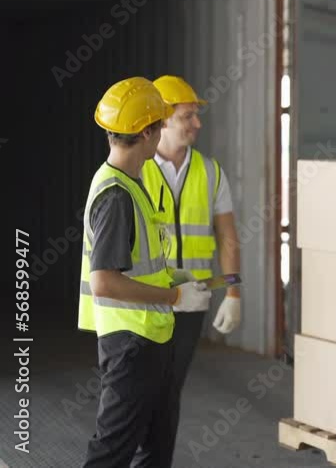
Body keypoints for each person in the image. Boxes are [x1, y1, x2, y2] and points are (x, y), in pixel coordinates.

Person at [80, 77, 211, 467]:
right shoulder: (117, 195)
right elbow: (104, 280)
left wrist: (175, 278)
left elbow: (139, 264)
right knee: (113, 452)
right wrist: (174, 297)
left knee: (154, 447)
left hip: (152, 340)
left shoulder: (131, 184)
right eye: (162, 123)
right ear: (148, 132)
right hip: (131, 345)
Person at [137, 75, 243, 458]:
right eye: (188, 116)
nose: (197, 124)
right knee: (141, 392)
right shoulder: (137, 170)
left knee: (169, 390)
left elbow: (228, 236)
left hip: (190, 304)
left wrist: (232, 291)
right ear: (162, 119)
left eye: (196, 116)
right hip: (146, 302)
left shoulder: (211, 173)